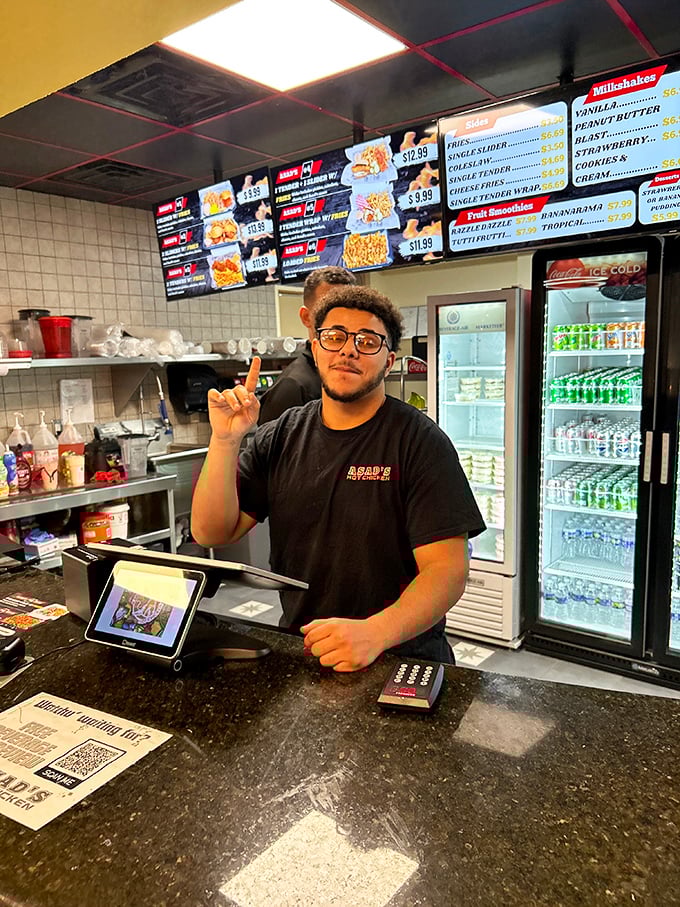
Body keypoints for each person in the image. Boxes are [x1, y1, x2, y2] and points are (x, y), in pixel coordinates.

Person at [192, 286, 485, 671]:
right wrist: (225, 440)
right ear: (315, 349)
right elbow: (212, 532)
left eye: (367, 341)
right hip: (306, 651)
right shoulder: (281, 436)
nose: (348, 350)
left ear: (389, 361)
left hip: (399, 657)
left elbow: (447, 571)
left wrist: (375, 632)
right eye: (334, 337)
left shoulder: (420, 443)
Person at [257, 265, 356, 424]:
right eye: (327, 309)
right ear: (306, 317)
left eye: (348, 309)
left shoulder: (351, 373)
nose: (339, 319)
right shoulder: (292, 388)